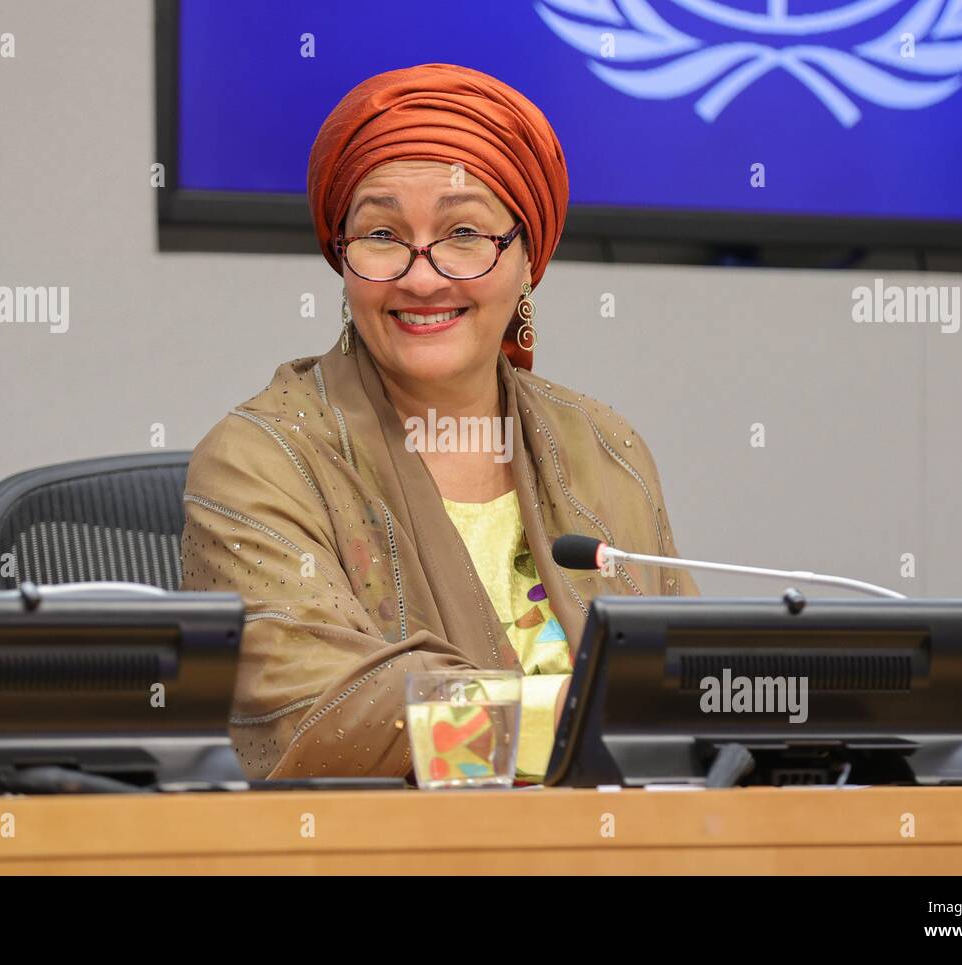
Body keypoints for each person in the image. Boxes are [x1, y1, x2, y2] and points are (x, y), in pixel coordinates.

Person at [180, 63, 696, 782]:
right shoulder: (258, 461)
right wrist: (598, 724)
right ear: (342, 259)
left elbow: (694, 691)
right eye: (383, 234)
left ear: (527, 261)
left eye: (463, 233)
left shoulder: (605, 448)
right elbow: (319, 716)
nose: (423, 277)